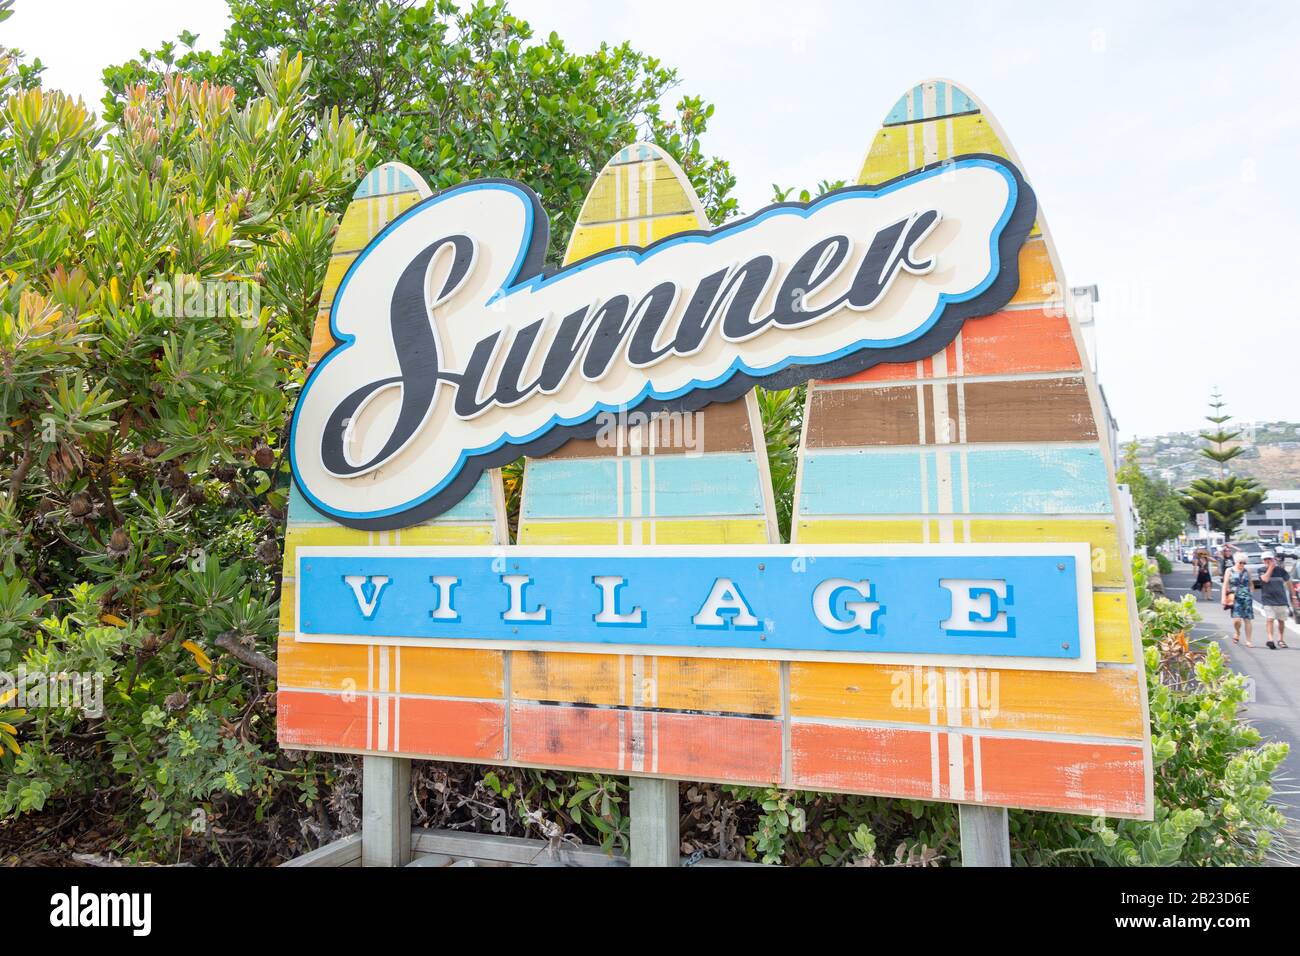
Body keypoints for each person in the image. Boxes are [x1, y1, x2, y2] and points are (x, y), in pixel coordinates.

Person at [1257, 552, 1291, 649]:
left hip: (1281, 599)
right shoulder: (1261, 570)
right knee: (1270, 619)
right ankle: (1270, 639)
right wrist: (1271, 568)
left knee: (1281, 620)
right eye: (1265, 559)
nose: (1267, 561)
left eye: (1269, 559)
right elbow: (1265, 579)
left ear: (1273, 559)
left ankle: (1281, 639)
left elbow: (1289, 583)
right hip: (1268, 599)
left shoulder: (1281, 571)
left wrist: (1293, 596)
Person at [1222, 552, 1255, 647]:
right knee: (1237, 620)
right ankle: (1237, 632)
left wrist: (1251, 594)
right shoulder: (1229, 570)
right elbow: (1225, 584)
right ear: (1236, 561)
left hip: (1246, 597)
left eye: (1244, 563)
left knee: (1247, 619)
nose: (1242, 565)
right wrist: (1224, 597)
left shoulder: (1247, 571)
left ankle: (1249, 640)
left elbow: (1251, 584)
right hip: (1234, 597)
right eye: (1240, 562)